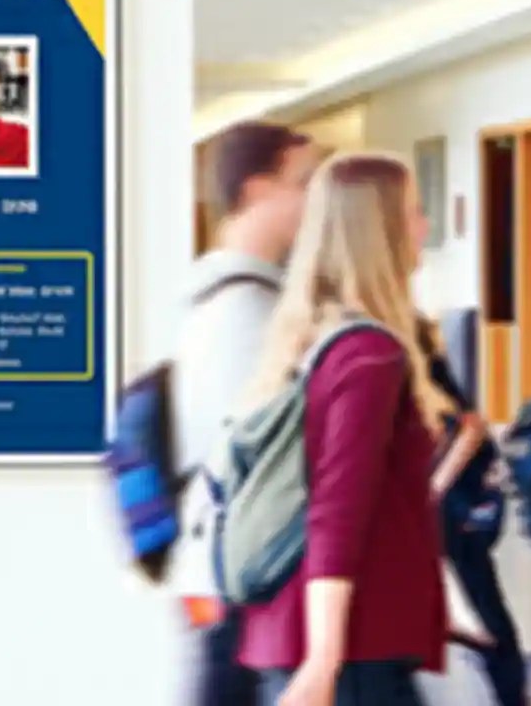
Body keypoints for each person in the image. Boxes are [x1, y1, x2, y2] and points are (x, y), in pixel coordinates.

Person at [237, 152, 448, 706]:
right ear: (376, 231)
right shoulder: (368, 355)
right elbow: (337, 508)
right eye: (413, 212)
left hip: (325, 635)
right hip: (350, 650)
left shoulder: (314, 343)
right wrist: (323, 661)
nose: (425, 227)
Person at [170, 121, 314, 705]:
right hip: (242, 574)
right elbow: (260, 455)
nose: (314, 200)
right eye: (302, 183)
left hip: (230, 570)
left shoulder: (219, 298)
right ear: (257, 192)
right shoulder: (242, 312)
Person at [418, 318, 527, 706]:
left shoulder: (420, 366)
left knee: (483, 612)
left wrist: (431, 489)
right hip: (441, 513)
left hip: (450, 514)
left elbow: (470, 427)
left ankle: (511, 695)